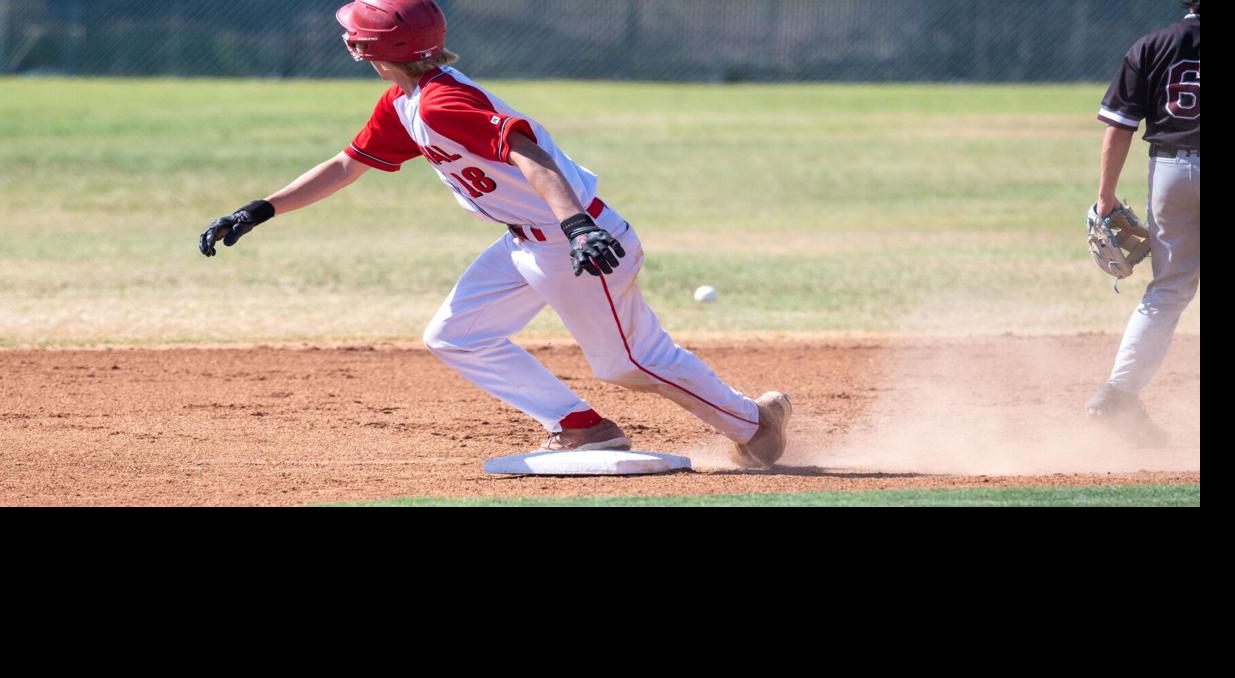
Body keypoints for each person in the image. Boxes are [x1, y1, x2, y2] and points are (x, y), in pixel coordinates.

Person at [198, 0, 791, 467]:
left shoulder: (441, 103)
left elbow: (527, 151)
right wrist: (260, 209)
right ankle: (580, 426)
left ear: (369, 47)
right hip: (524, 241)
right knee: (456, 335)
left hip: (573, 239)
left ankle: (754, 424)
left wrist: (577, 224)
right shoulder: (406, 100)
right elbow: (346, 165)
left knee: (629, 362)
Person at [1086, 1, 1201, 448]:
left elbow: (1119, 126)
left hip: (1170, 171)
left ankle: (1119, 392)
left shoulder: (1153, 44)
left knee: (1168, 290)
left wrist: (1106, 197)